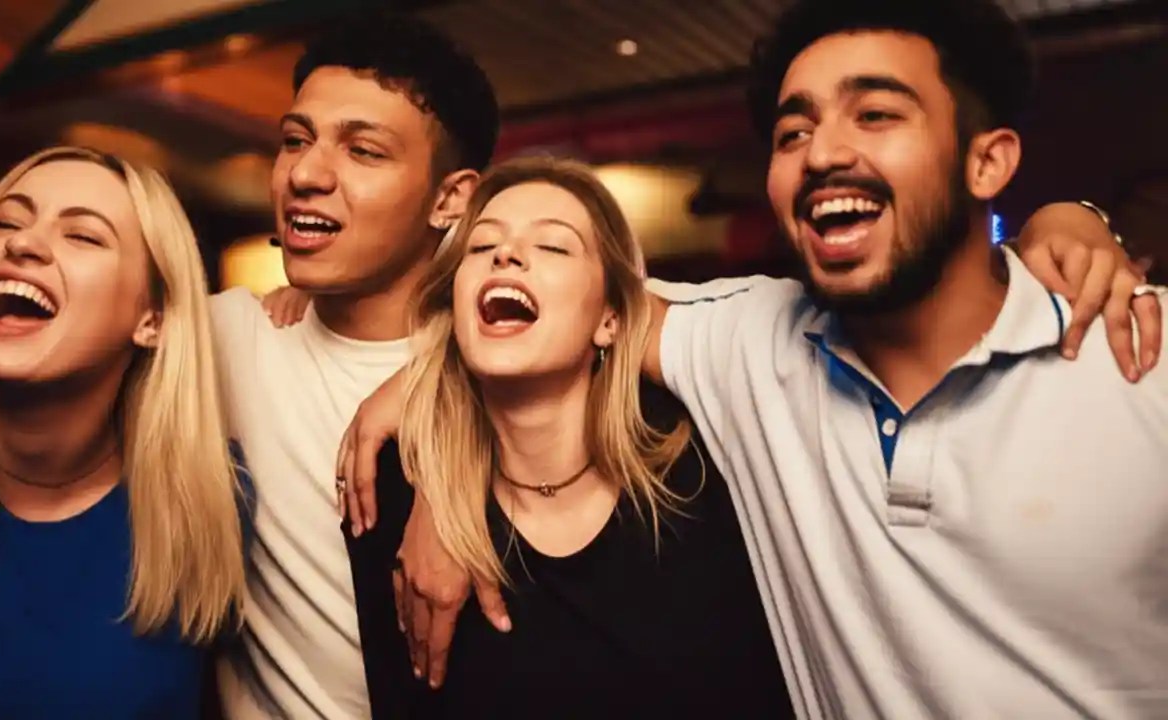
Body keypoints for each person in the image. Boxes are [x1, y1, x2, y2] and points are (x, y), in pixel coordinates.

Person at [330, 0, 1168, 714]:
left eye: (875, 114)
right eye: (793, 130)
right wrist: (445, 461)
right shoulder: (752, 345)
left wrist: (1073, 215)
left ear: (988, 159)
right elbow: (544, 328)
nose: (825, 152)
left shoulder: (1143, 359)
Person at [346, 157, 792, 718]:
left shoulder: (708, 469)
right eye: (482, 248)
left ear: (610, 319)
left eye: (554, 248)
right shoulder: (394, 491)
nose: (505, 256)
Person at [0, 146, 251, 720]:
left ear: (151, 318)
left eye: (83, 236)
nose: (22, 243)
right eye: (6, 220)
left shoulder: (210, 497)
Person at [208, 13, 502, 719]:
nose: (305, 174)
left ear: (450, 198)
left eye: (364, 151)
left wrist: (452, 381)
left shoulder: (512, 363)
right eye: (294, 141)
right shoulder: (226, 340)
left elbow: (634, 296)